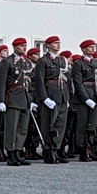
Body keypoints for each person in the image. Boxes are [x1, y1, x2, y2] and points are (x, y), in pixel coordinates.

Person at [0, 38, 34, 167]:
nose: (24, 48)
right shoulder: (7, 62)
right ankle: (10, 154)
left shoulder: (26, 62)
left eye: (25, 45)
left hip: (25, 97)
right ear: (15, 47)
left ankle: (18, 152)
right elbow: (1, 83)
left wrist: (32, 99)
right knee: (11, 128)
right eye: (21, 46)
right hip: (12, 98)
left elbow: (30, 82)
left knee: (22, 128)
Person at [66, 40, 97, 162]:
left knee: (92, 125)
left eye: (94, 47)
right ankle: (82, 150)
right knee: (82, 125)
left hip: (95, 95)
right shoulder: (79, 64)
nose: (93, 49)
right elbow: (78, 82)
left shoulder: (95, 63)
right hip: (84, 97)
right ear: (83, 49)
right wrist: (86, 98)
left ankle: (90, 148)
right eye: (90, 47)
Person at [34, 36, 68, 164]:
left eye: (59, 43)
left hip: (62, 95)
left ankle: (56, 149)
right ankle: (48, 150)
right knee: (49, 125)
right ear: (48, 45)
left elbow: (66, 79)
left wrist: (67, 96)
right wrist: (44, 98)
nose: (58, 45)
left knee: (60, 125)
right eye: (55, 43)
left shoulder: (61, 60)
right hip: (50, 95)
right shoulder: (43, 61)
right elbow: (39, 81)